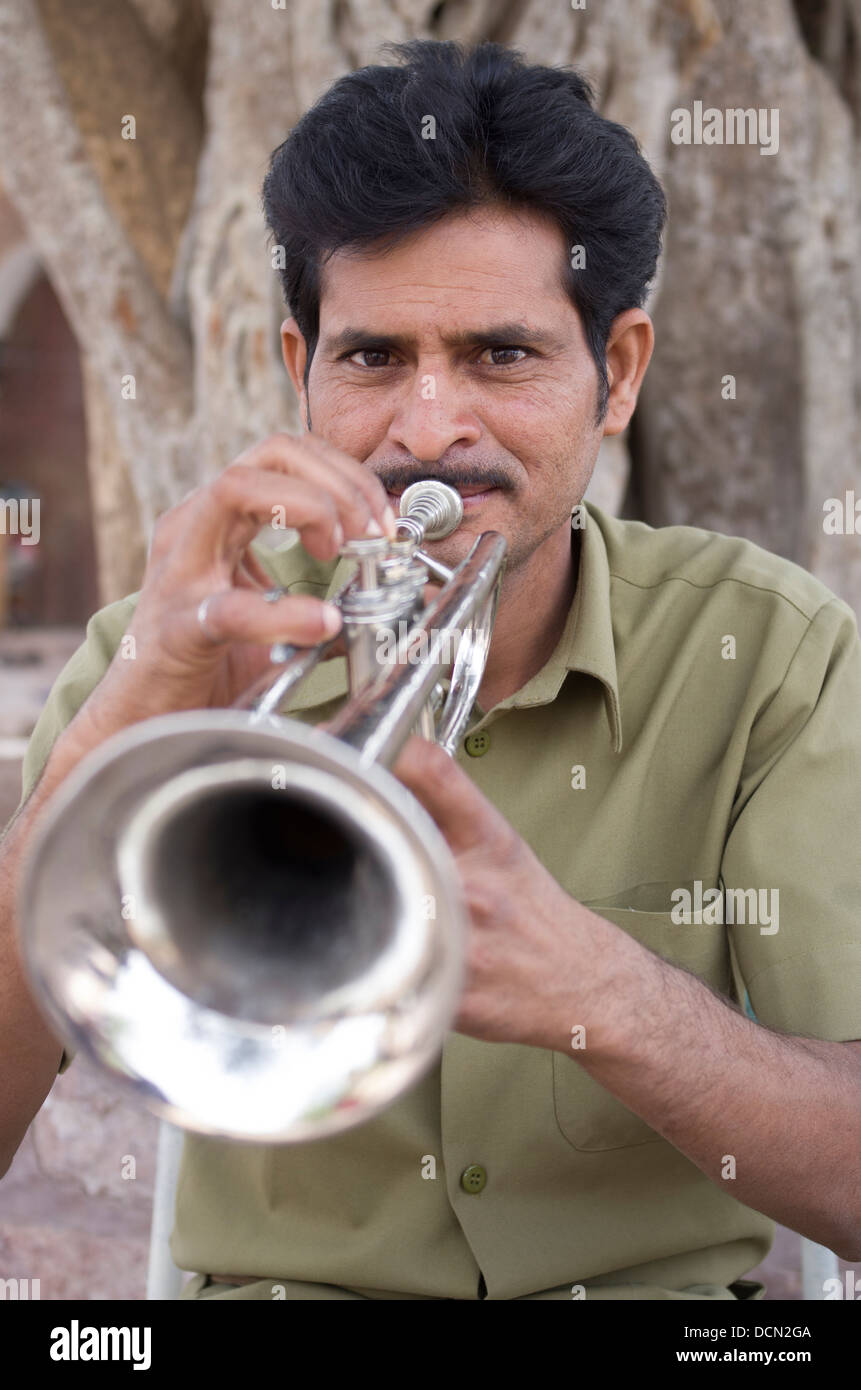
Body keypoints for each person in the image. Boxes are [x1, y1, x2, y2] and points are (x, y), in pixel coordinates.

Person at [2, 40, 860, 1302]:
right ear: (299, 370)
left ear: (614, 376)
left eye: (501, 356)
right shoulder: (170, 649)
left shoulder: (770, 656)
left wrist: (604, 992)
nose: (427, 431)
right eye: (372, 358)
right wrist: (113, 740)